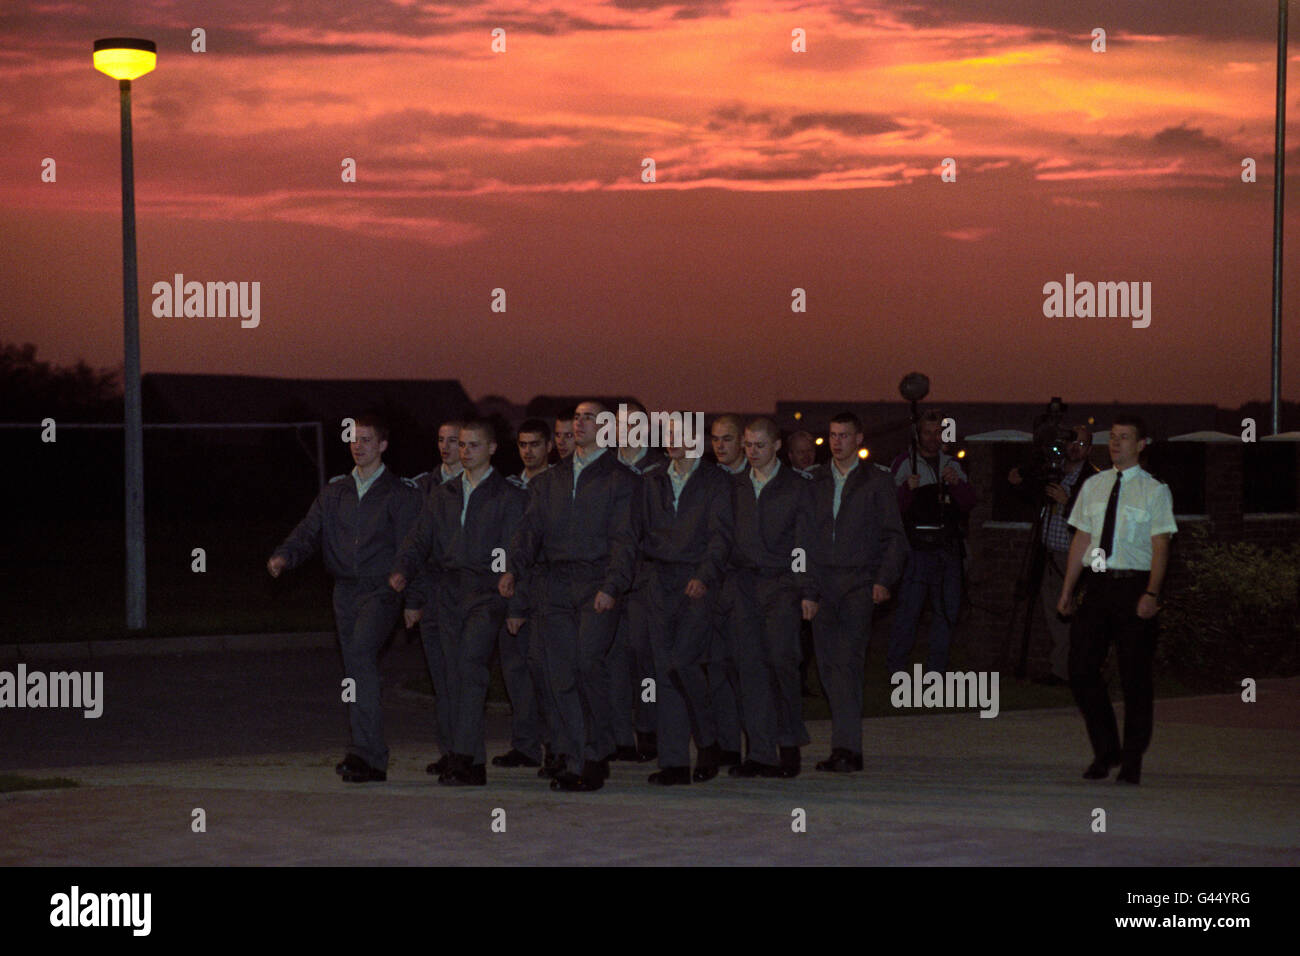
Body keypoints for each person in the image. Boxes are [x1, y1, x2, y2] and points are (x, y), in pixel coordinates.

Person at [267, 413, 424, 783]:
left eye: (366, 439)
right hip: (344, 591)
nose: (358, 445)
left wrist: (413, 598)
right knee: (355, 668)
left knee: (361, 656)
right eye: (354, 439)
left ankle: (370, 754)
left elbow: (413, 547)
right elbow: (309, 531)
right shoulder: (335, 491)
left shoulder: (400, 494)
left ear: (382, 445)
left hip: (381, 590)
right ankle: (361, 751)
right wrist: (284, 555)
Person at [500, 400, 639, 792]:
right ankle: (577, 758)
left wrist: (612, 586)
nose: (580, 423)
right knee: (558, 674)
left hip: (597, 582)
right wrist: (512, 569)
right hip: (555, 585)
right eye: (576, 417)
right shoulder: (549, 480)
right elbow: (529, 532)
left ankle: (597, 751)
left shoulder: (621, 480)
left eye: (589, 418)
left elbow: (625, 540)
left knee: (587, 663)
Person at [390, 421, 526, 785]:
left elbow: (517, 551)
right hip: (448, 591)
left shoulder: (508, 496)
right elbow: (419, 538)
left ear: (492, 448)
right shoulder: (443, 494)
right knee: (452, 674)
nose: (465, 451)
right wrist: (402, 569)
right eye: (462, 445)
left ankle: (468, 758)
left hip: (486, 592)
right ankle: (462, 756)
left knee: (470, 666)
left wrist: (514, 602)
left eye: (473, 445)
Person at [1057, 415, 1176, 785]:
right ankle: (1106, 749)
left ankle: (1132, 759)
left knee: (1134, 677)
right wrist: (1067, 590)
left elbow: (1161, 545)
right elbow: (1082, 539)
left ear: (1141, 445)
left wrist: (1152, 593)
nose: (1116, 443)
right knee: (1080, 669)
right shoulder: (1093, 485)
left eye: (1125, 437)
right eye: (1112, 437)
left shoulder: (1154, 490)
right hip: (1097, 586)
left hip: (1133, 586)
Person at [808, 413, 909, 773]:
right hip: (822, 584)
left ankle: (847, 748)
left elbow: (894, 536)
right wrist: (806, 585)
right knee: (827, 666)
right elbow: (804, 535)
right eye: (833, 435)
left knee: (848, 662)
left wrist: (883, 580)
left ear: (859, 439)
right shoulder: (815, 479)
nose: (837, 442)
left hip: (857, 582)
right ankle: (845, 743)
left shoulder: (876, 480)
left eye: (844, 435)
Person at [638, 416, 734, 784]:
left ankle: (708, 740)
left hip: (696, 582)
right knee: (664, 671)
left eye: (679, 435)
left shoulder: (715, 481)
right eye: (668, 435)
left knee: (684, 662)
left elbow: (721, 535)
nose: (671, 441)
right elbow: (639, 530)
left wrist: (705, 575)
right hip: (659, 581)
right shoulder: (652, 479)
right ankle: (674, 762)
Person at [726, 417, 817, 779]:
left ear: (777, 446)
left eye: (760, 445)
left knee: (782, 662)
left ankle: (789, 745)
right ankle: (760, 752)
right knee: (749, 668)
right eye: (748, 445)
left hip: (781, 584)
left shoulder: (796, 487)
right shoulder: (735, 486)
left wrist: (806, 589)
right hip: (744, 586)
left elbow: (804, 542)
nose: (752, 452)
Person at [887, 410, 976, 676]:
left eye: (938, 433)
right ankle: (896, 669)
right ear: (917, 435)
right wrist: (907, 490)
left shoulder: (952, 464)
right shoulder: (904, 463)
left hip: (947, 549)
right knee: (909, 612)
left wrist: (956, 485)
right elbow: (890, 508)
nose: (933, 438)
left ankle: (936, 670)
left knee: (946, 612)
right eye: (927, 432)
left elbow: (969, 503)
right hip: (916, 550)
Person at [1008, 424, 1099, 684]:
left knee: (1072, 614)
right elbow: (1032, 496)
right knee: (1054, 613)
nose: (1075, 448)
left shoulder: (1093, 479)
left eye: (1081, 444)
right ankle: (1062, 669)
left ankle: (1067, 671)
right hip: (1048, 554)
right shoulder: (1055, 473)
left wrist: (1067, 502)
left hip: (1073, 558)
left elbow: (1096, 521)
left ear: (1089, 449)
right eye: (1072, 442)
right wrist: (1019, 483)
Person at [494, 419, 555, 771]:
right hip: (512, 590)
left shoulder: (558, 485)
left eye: (535, 444)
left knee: (546, 673)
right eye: (522, 444)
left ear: (548, 446)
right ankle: (525, 745)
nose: (528, 451)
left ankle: (556, 747)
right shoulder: (509, 488)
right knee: (516, 673)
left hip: (545, 592)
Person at [409, 417, 467, 777]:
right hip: (431, 593)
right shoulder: (422, 486)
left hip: (463, 593)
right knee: (441, 678)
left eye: (454, 440)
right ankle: (449, 750)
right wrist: (414, 599)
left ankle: (465, 751)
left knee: (462, 675)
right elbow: (414, 545)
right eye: (441, 439)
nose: (446, 447)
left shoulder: (476, 485)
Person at [611, 401, 667, 762]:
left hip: (644, 581)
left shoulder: (659, 470)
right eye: (619, 424)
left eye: (632, 424)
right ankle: (619, 735)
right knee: (613, 662)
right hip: (605, 579)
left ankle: (648, 728)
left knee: (644, 659)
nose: (625, 430)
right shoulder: (604, 467)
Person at [704, 414, 747, 768]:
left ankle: (762, 746)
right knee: (715, 668)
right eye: (715, 439)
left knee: (747, 670)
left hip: (747, 587)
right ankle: (728, 745)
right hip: (712, 587)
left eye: (727, 439)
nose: (720, 446)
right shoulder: (706, 480)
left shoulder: (754, 479)